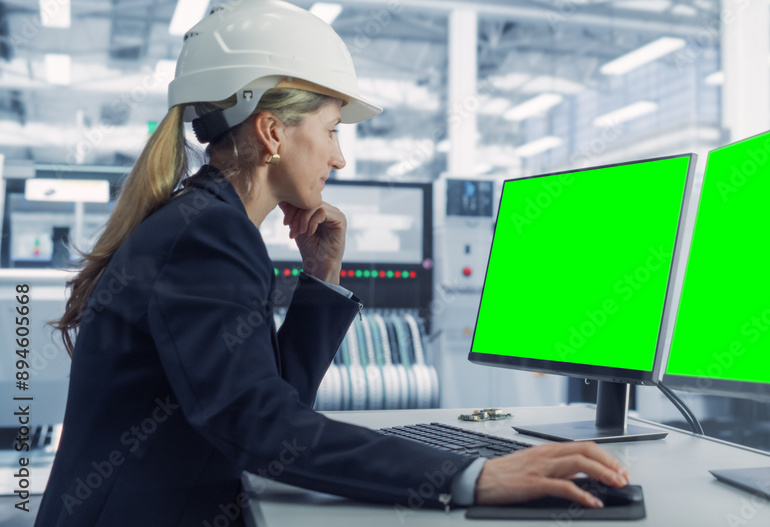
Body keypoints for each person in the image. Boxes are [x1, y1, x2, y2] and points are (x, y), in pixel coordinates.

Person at [34, 1, 628, 525]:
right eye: (333, 130)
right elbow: (261, 429)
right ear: (271, 133)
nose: (339, 158)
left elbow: (268, 405)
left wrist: (319, 280)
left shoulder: (204, 222)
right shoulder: (208, 234)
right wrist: (471, 476)